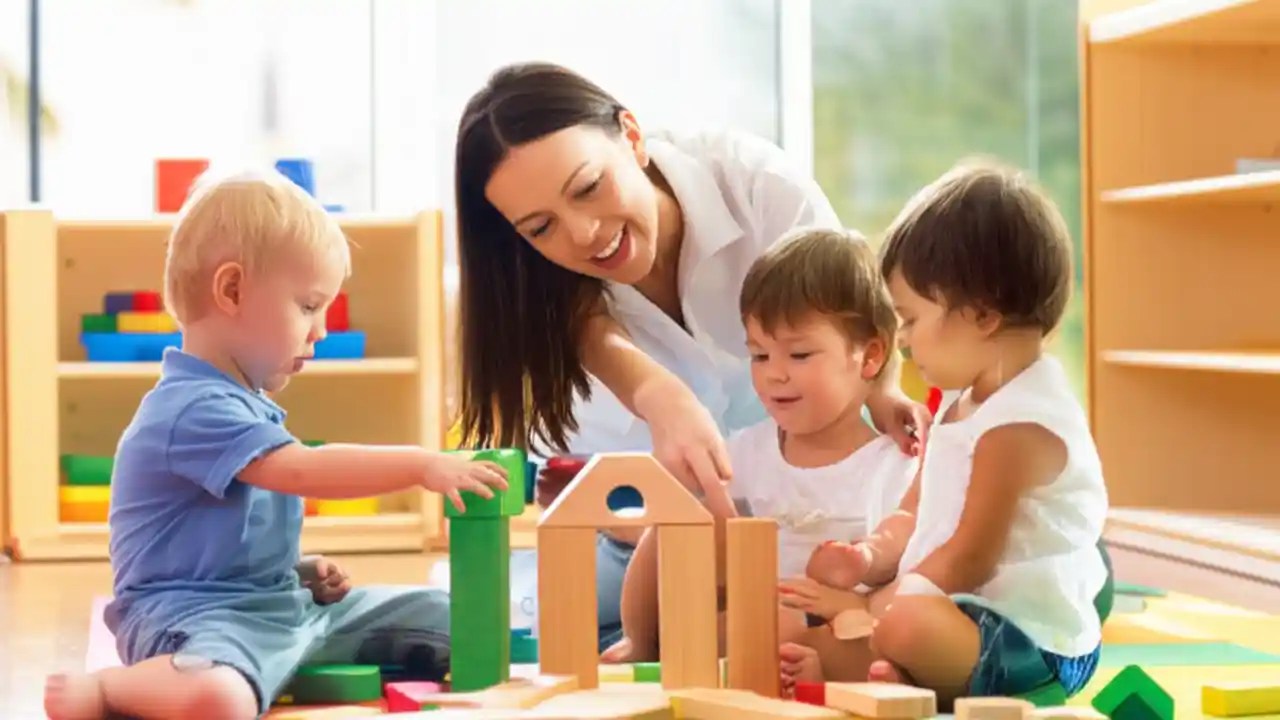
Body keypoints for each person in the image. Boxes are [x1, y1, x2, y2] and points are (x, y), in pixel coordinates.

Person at [451, 60, 930, 648]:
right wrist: (655, 403)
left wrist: (880, 392)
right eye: (540, 227)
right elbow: (596, 350)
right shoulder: (554, 298)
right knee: (528, 622)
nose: (581, 233)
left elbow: (850, 311)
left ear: (631, 137)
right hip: (649, 542)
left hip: (809, 535)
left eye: (587, 188)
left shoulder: (755, 186)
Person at [44, 169, 508, 720]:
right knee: (219, 698)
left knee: (452, 618)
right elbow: (303, 471)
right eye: (309, 307)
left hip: (276, 610)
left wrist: (296, 572)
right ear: (232, 290)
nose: (321, 332)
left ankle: (273, 657)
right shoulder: (192, 406)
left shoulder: (243, 402)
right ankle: (110, 690)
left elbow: (220, 545)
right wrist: (422, 464)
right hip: (191, 623)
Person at [794, 160, 1109, 708]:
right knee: (809, 626)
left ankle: (905, 675)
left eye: (911, 321)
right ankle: (889, 674)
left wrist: (871, 609)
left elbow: (968, 558)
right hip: (960, 613)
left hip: (1036, 643)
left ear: (982, 316)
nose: (904, 343)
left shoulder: (1020, 426)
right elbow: (915, 513)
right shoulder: (964, 404)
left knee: (903, 622)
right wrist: (867, 559)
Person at [603, 227, 919, 663]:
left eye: (799, 355)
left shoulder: (891, 467)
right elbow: (677, 539)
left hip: (831, 637)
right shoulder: (745, 452)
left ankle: (692, 648)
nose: (775, 374)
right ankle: (646, 642)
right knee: (678, 519)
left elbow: (898, 582)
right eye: (760, 355)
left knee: (805, 625)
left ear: (869, 357)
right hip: (740, 620)